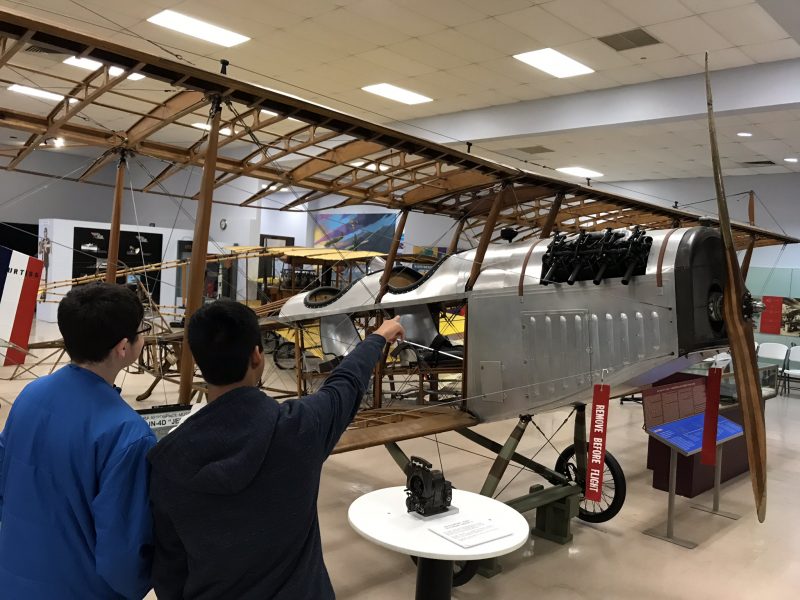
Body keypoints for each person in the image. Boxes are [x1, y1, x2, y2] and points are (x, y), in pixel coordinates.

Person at [148, 300, 405, 599]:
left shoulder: (166, 461)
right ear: (257, 356)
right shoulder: (301, 427)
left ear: (196, 361)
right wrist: (378, 337)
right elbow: (346, 383)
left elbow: (169, 568)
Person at [0, 282, 156, 599]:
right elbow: (123, 555)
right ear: (124, 347)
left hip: (14, 577)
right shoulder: (128, 435)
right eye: (143, 330)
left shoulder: (30, 395)